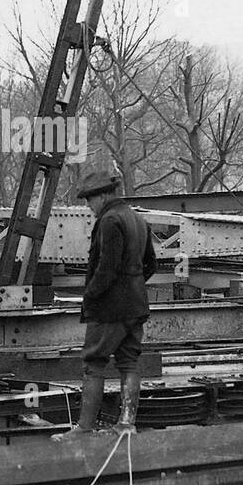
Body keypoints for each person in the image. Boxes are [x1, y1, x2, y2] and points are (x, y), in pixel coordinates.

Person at [52, 171, 158, 441]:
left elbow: (106, 267)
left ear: (103, 196)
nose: (89, 207)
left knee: (94, 363)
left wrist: (90, 295)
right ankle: (126, 424)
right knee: (129, 362)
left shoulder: (109, 220)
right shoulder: (138, 219)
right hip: (136, 305)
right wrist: (132, 284)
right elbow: (151, 265)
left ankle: (85, 429)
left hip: (110, 307)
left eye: (90, 200)